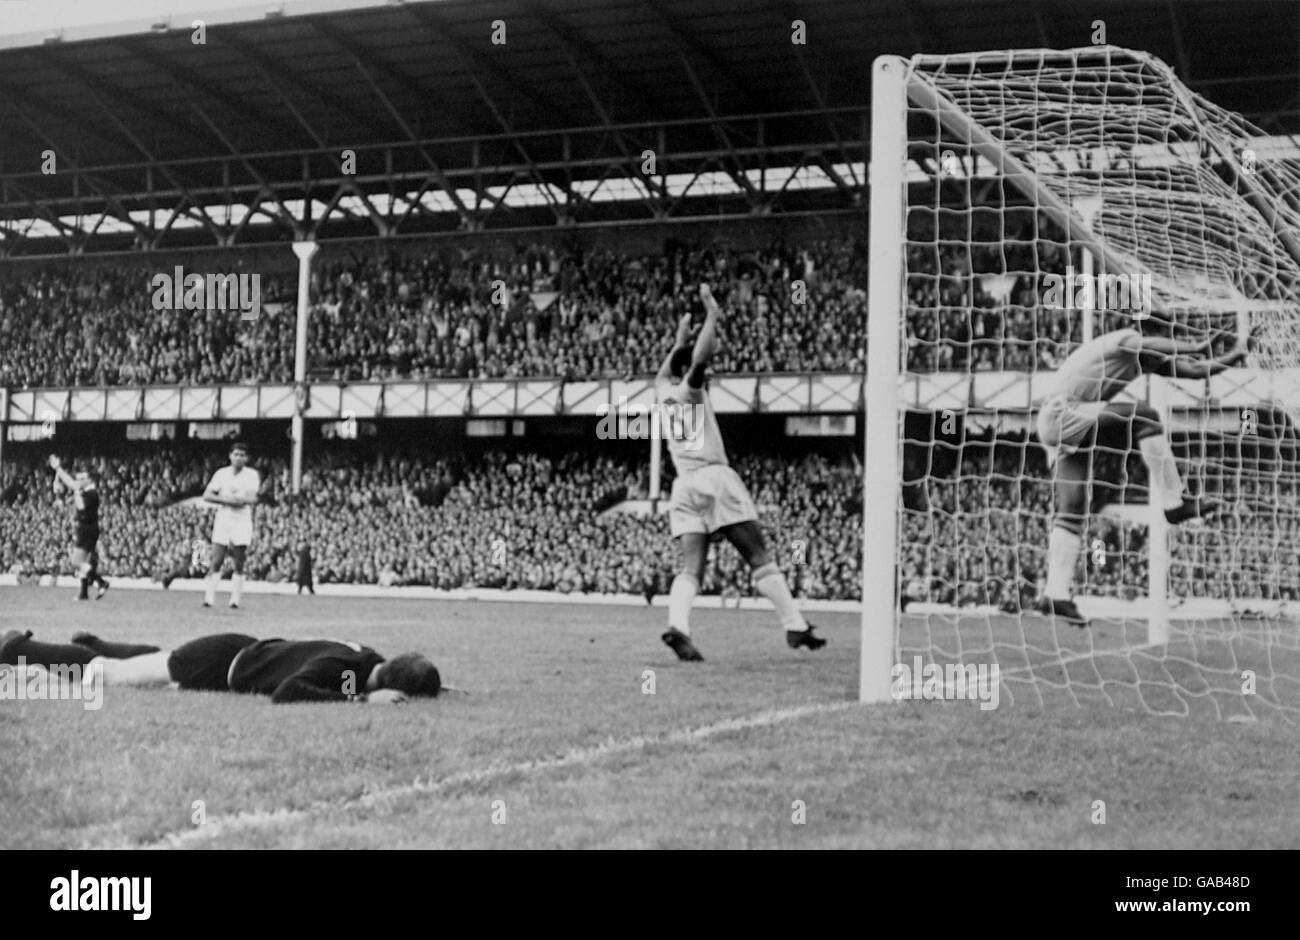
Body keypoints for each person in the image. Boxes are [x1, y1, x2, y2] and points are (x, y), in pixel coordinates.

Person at [1034, 320, 1250, 625]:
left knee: (1072, 509)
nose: (1164, 362)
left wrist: (1234, 356)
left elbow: (1194, 370)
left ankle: (1055, 593)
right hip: (1063, 413)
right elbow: (1155, 346)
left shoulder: (1142, 362)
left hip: (1062, 424)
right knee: (1145, 416)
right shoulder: (1125, 338)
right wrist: (1197, 345)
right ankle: (1174, 503)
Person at [653, 283, 826, 661]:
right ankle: (794, 625)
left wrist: (679, 341)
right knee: (758, 555)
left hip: (682, 486)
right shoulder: (690, 394)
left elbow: (671, 367)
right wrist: (711, 316)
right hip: (714, 478)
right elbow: (698, 361)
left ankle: (677, 625)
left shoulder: (662, 394)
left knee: (691, 568)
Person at [0, 629, 440, 705]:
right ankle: (20, 650)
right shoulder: (346, 670)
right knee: (107, 676)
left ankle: (95, 642)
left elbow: (348, 679)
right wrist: (365, 702)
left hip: (234, 652)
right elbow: (289, 691)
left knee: (158, 663)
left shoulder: (364, 660)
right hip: (219, 662)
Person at [201, 442, 261, 609]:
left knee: (239, 559)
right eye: (236, 454)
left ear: (246, 458)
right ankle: (209, 598)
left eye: (242, 455)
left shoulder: (251, 475)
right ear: (230, 456)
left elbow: (253, 498)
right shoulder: (221, 474)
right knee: (217, 559)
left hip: (241, 520)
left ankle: (235, 600)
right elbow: (207, 495)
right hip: (224, 519)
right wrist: (225, 500)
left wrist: (240, 501)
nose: (239, 458)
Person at [47, 456, 110, 602]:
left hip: (87, 529)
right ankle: (84, 593)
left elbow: (80, 505)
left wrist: (58, 469)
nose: (79, 480)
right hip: (87, 527)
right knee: (84, 562)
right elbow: (73, 490)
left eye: (82, 478)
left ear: (89, 480)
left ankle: (101, 582)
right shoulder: (87, 491)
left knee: (76, 561)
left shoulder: (92, 494)